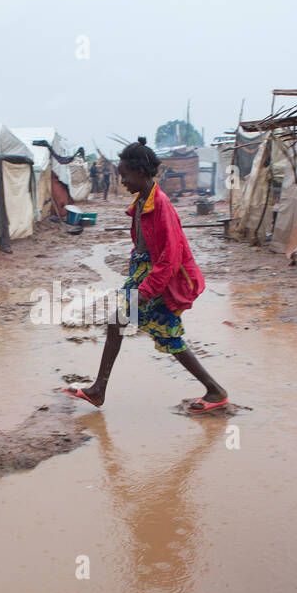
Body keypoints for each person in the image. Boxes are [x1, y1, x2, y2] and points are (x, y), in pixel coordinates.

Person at [64, 137, 228, 413]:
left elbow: (171, 257)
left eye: (124, 175)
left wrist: (145, 291)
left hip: (160, 281)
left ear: (140, 172)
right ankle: (99, 389)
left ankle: (215, 390)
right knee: (127, 325)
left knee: (165, 336)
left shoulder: (161, 205)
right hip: (146, 276)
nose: (122, 181)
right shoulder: (143, 201)